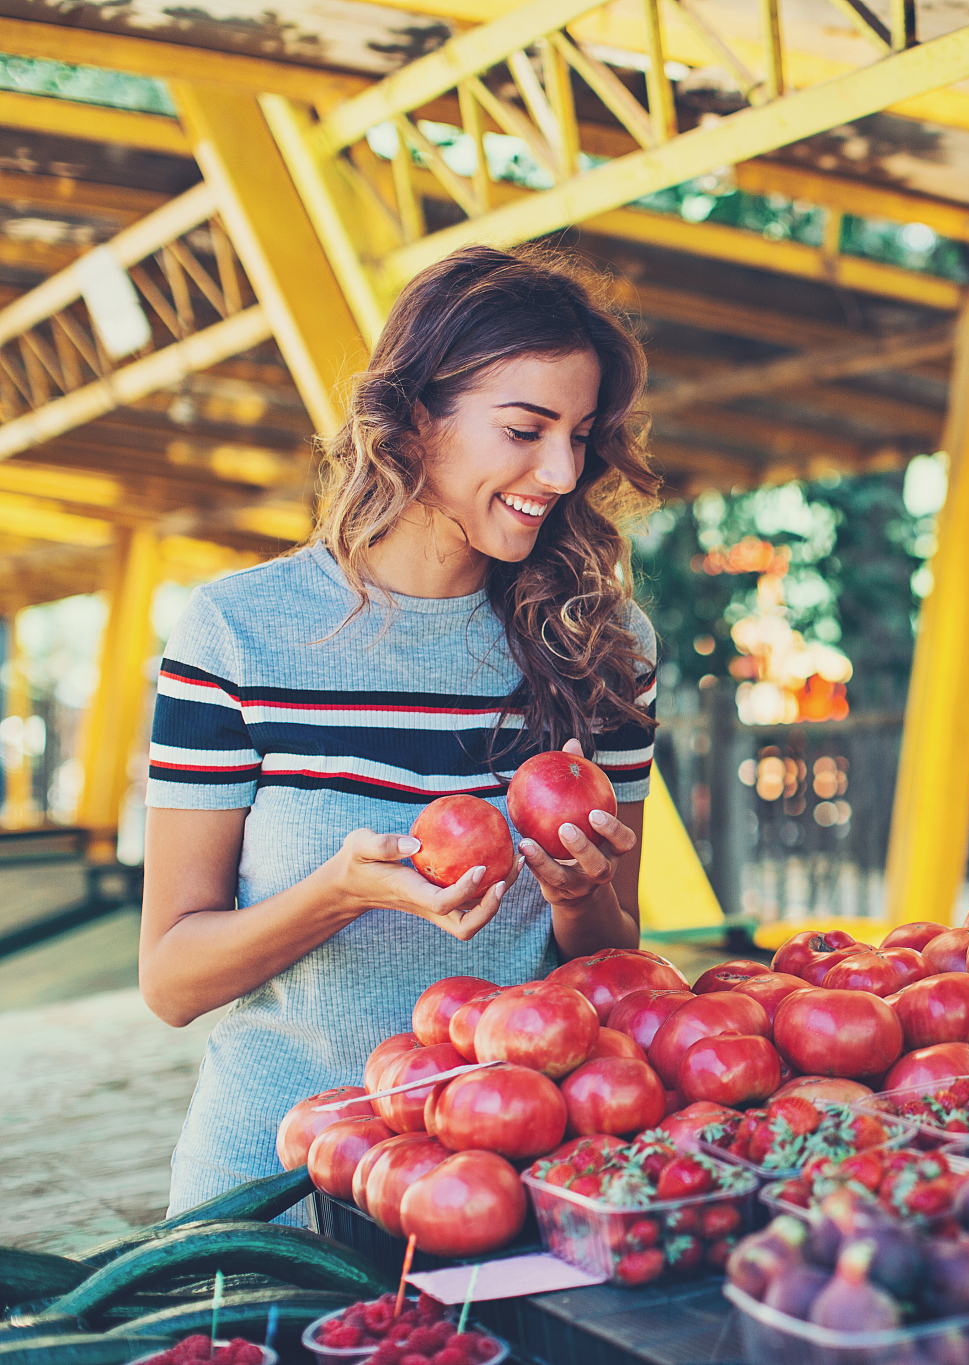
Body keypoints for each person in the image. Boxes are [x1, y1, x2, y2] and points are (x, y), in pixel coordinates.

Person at [139, 245, 664, 1217]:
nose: (559, 471)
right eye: (524, 429)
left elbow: (608, 956)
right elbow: (171, 981)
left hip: (500, 1188)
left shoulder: (605, 648)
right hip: (274, 1185)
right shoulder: (238, 633)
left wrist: (580, 900)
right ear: (416, 420)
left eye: (581, 436)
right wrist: (333, 895)